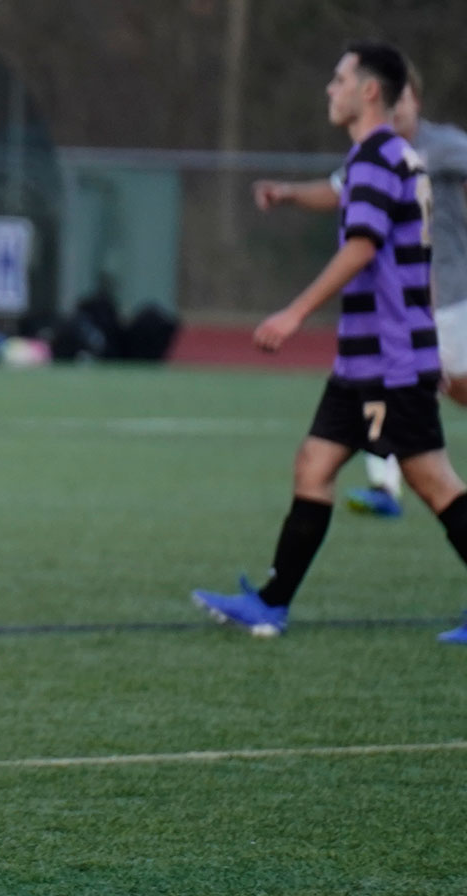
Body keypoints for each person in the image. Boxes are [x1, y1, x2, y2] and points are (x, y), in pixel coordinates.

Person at [195, 43, 467, 646]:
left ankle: (271, 604)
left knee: (434, 483)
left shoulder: (378, 156)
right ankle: (271, 604)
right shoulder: (388, 157)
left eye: (340, 78)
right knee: (313, 465)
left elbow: (363, 245)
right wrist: (291, 194)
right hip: (367, 359)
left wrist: (294, 312)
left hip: (392, 359)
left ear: (368, 91)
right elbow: (359, 213)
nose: (330, 88)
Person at [252, 63, 467, 517]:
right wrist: (288, 193)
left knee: (437, 388)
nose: (395, 107)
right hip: (399, 306)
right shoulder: (372, 157)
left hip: (447, 293)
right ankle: (384, 486)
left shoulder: (441, 146)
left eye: (402, 99)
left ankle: (395, 483)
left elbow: (363, 243)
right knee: (390, 389)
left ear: (413, 100)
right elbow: (337, 190)